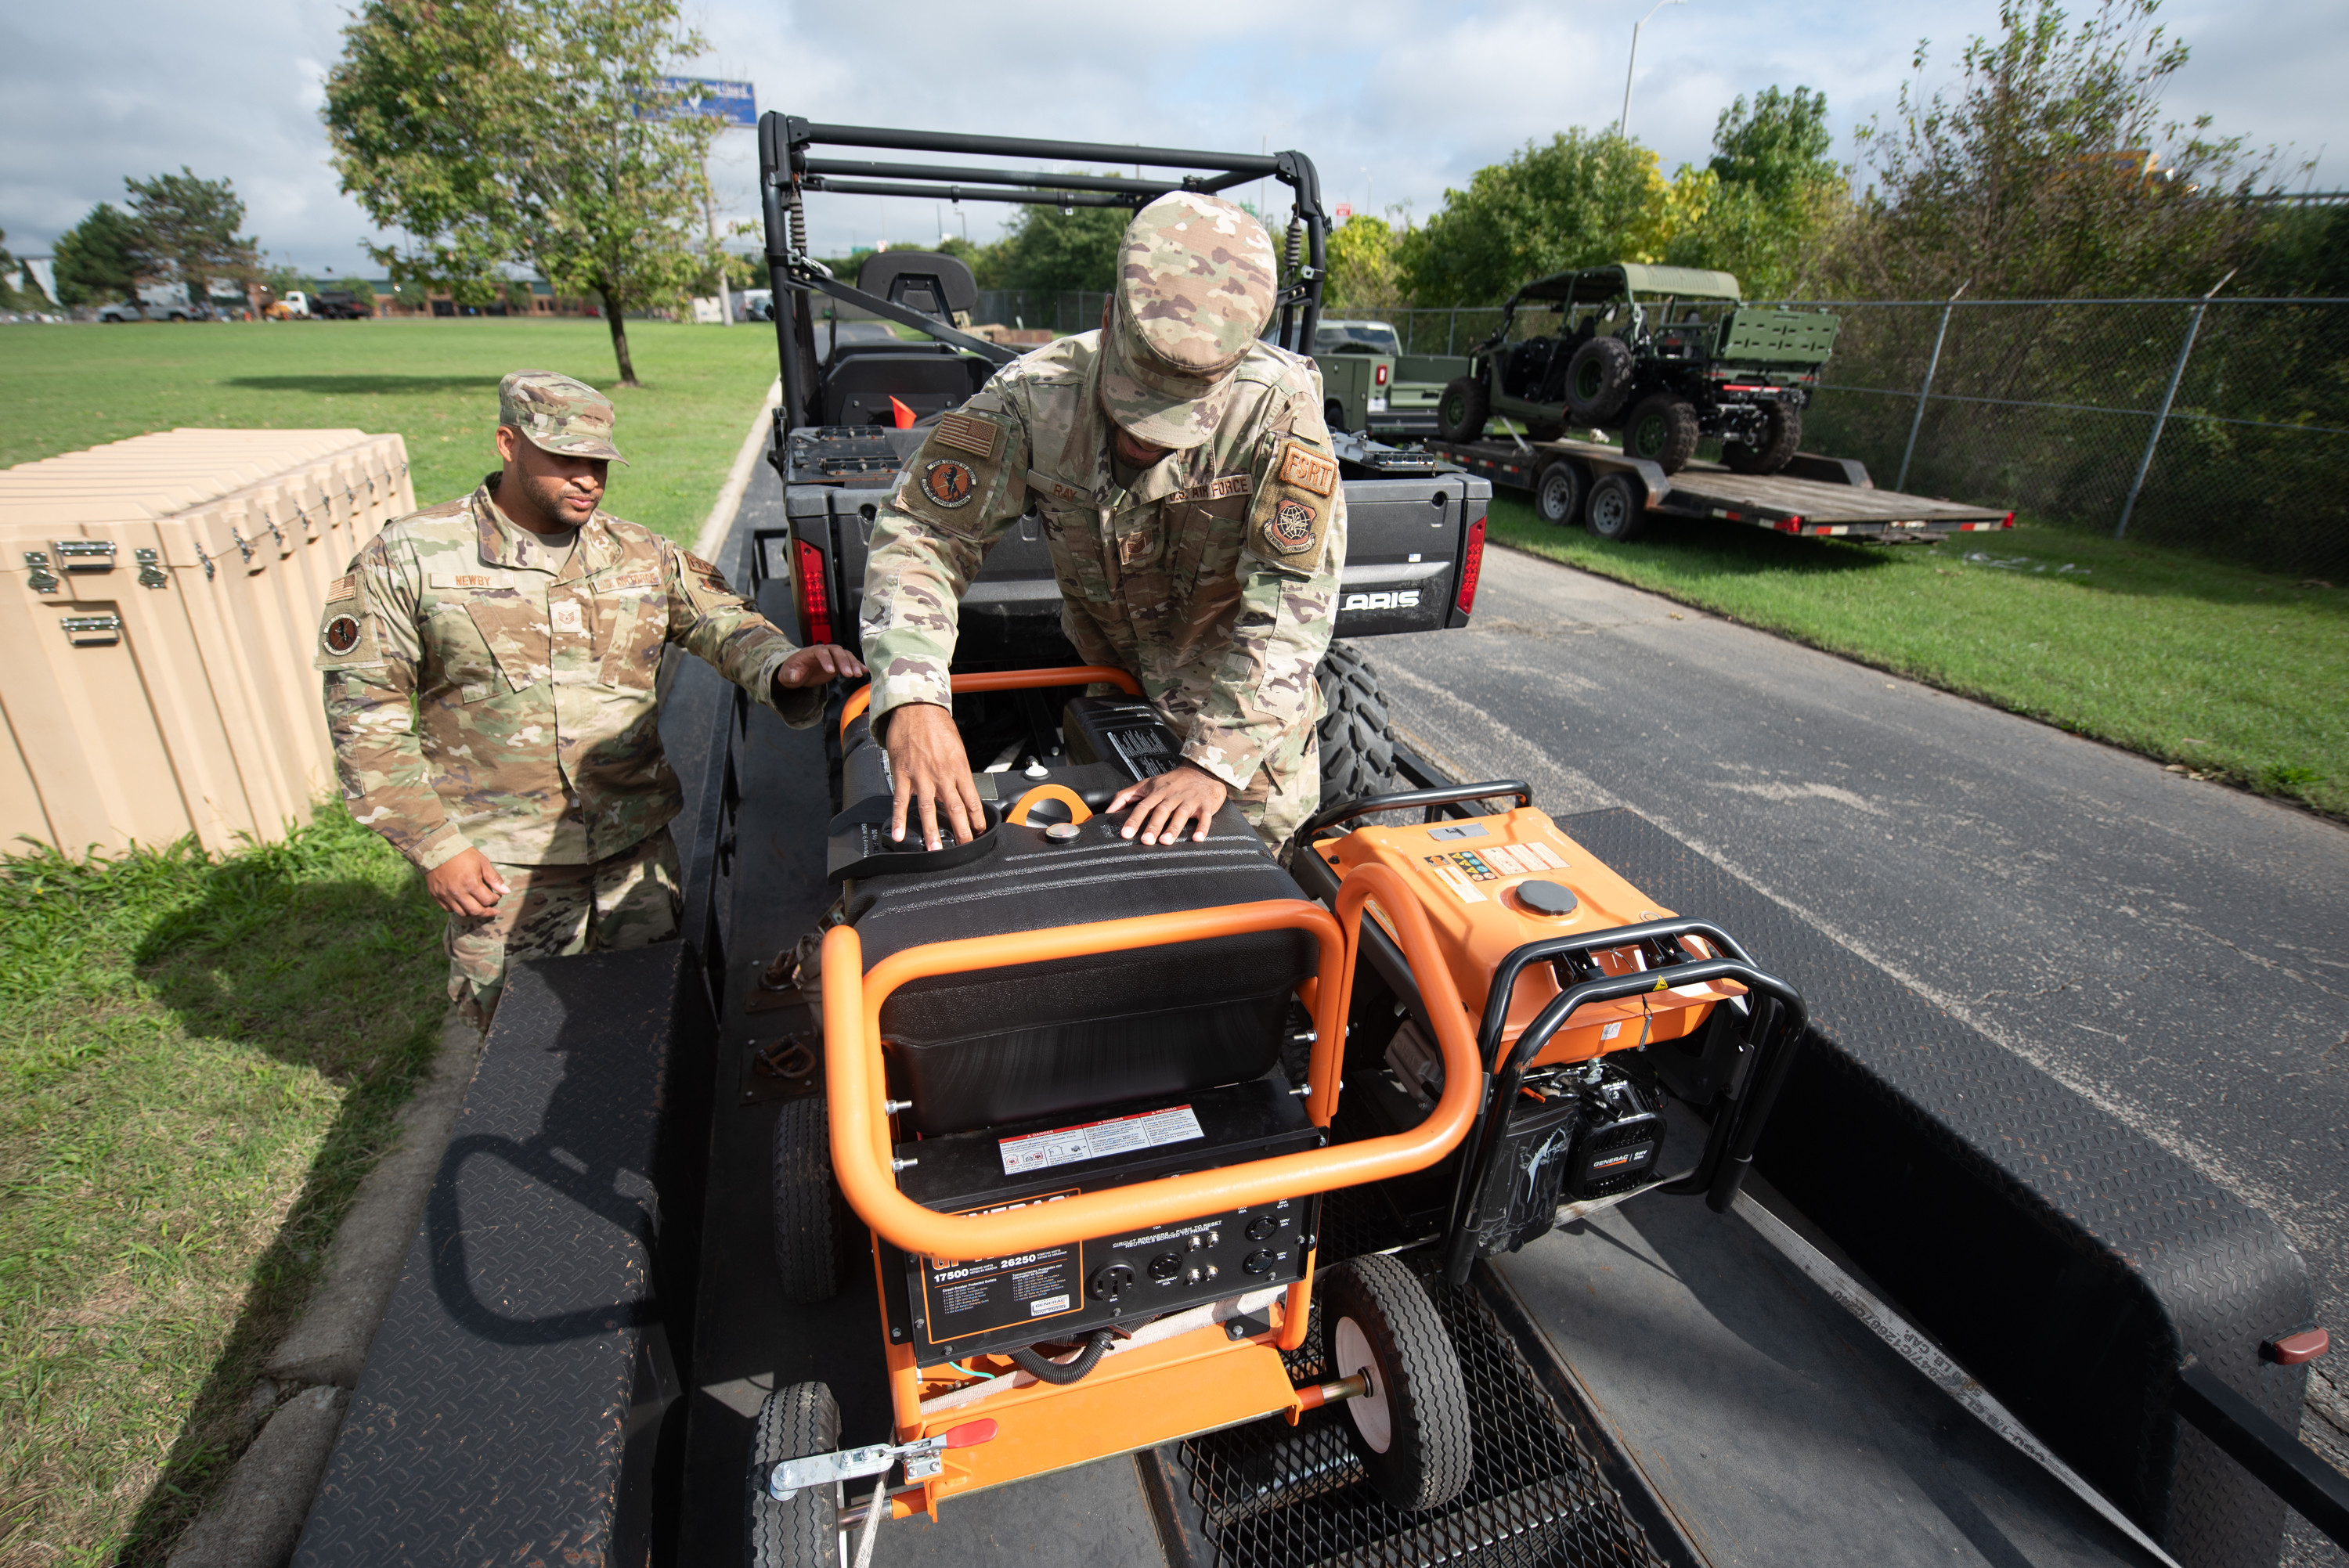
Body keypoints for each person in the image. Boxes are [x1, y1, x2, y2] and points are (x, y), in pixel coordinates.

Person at [317, 369, 864, 1026]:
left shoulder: (638, 552)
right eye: (566, 459)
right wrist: (436, 847)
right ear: (507, 443)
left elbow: (720, 621)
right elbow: (365, 717)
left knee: (649, 1023)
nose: (588, 479)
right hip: (504, 869)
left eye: (599, 462)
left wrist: (781, 665)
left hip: (633, 851)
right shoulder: (411, 557)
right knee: (519, 1045)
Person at [860, 191, 1344, 855]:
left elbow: (1292, 609)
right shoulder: (1032, 400)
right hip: (1118, 708)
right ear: (1110, 315)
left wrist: (1213, 763)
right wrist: (913, 697)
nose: (1148, 437)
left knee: (1248, 914)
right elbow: (924, 536)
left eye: (1178, 418)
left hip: (1243, 743)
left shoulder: (1278, 414)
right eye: (1134, 401)